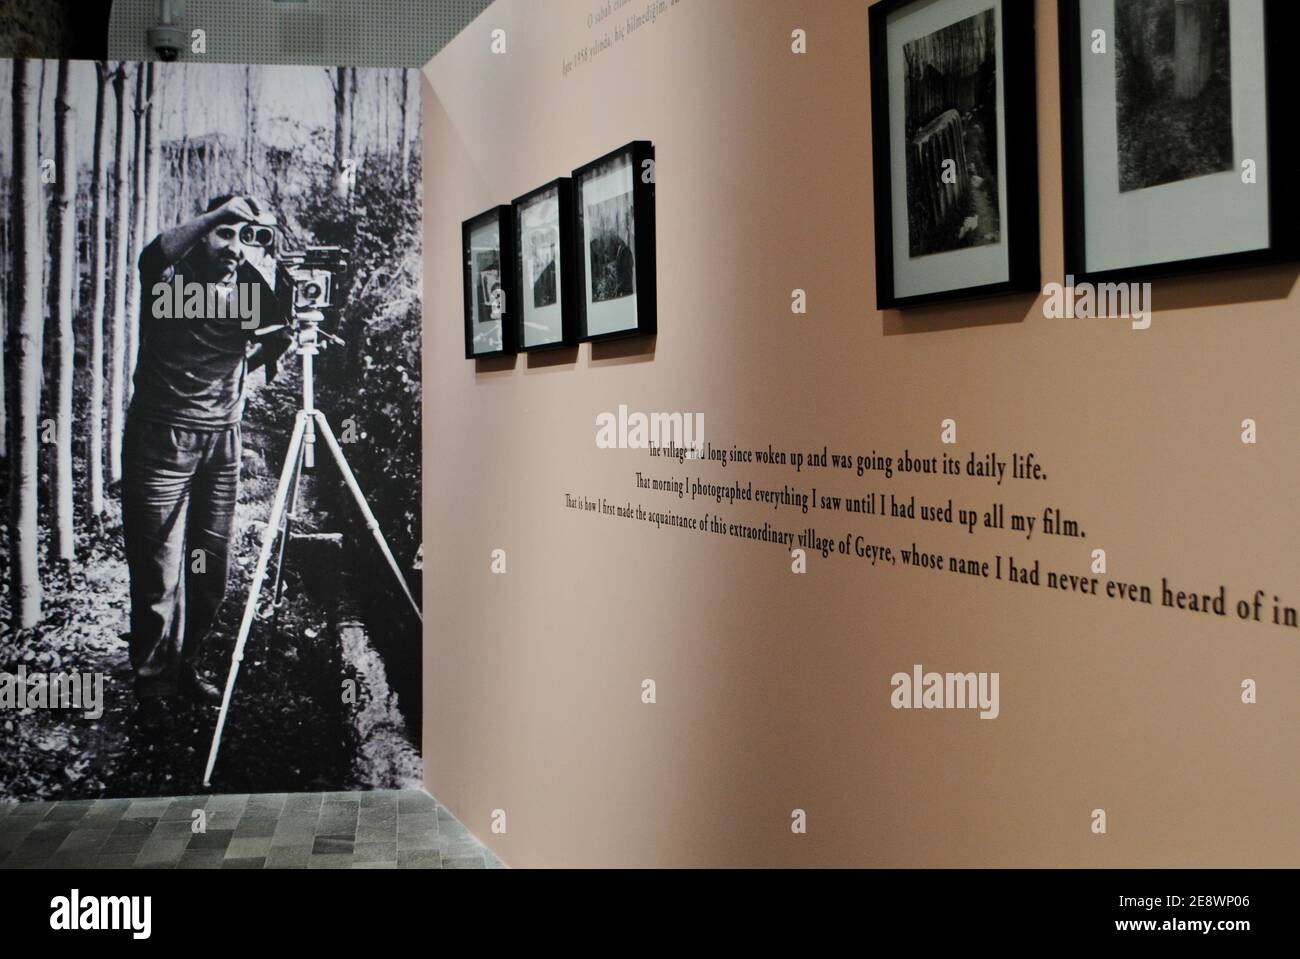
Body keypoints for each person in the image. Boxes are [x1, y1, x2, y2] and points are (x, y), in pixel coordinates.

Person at [122, 194, 292, 713]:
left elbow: (280, 333)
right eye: (225, 234)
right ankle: (152, 683)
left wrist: (255, 351)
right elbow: (150, 256)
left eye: (246, 236)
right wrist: (221, 214)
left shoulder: (250, 284)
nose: (235, 247)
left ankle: (188, 663)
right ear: (203, 233)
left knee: (209, 570)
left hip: (222, 441)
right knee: (158, 573)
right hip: (161, 440)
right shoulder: (171, 276)